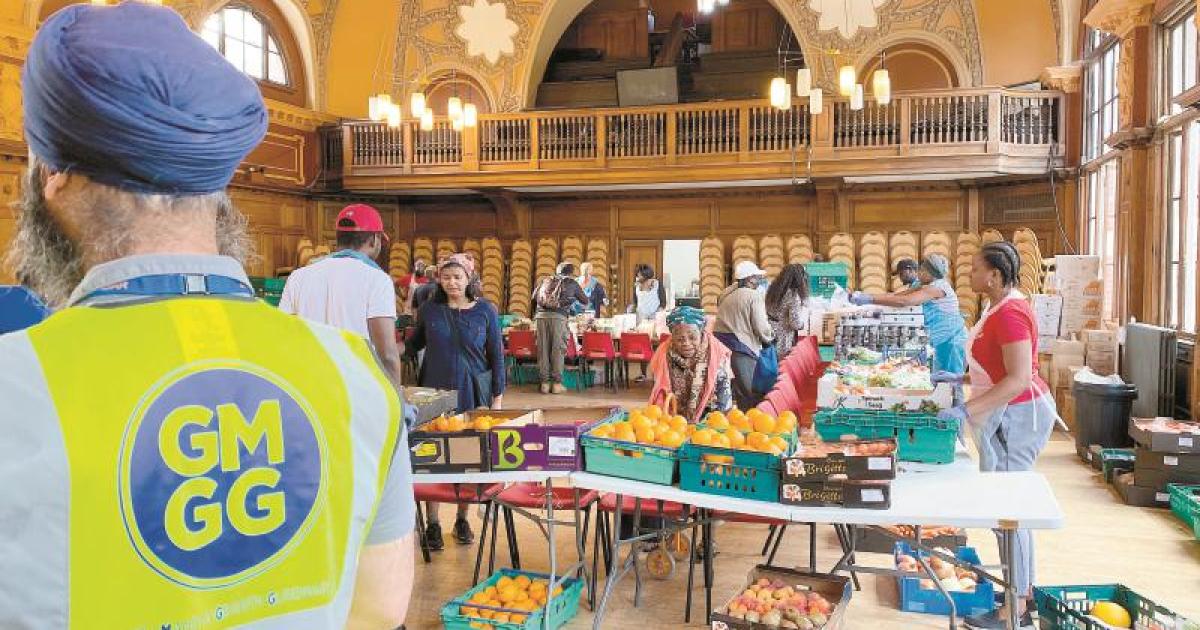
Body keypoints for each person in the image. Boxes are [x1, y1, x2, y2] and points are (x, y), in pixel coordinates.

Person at [0, 4, 414, 628]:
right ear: (216, 185)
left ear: (52, 174)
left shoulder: (14, 389)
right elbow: (378, 612)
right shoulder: (356, 380)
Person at [937, 241, 1056, 630]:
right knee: (1007, 509)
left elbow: (1019, 377)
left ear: (994, 275)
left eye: (974, 268)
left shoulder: (1011, 315)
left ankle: (1017, 610)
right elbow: (995, 367)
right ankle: (1020, 592)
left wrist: (966, 409)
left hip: (1018, 418)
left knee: (1011, 512)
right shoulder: (997, 307)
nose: (969, 274)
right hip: (1006, 412)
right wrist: (959, 378)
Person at [406, 253, 505, 551]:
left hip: (471, 393)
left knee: (467, 459)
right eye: (446, 277)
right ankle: (432, 523)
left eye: (457, 277)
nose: (452, 282)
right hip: (434, 395)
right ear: (439, 279)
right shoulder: (430, 311)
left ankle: (463, 518)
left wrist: (497, 401)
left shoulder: (486, 311)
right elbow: (412, 345)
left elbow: (496, 357)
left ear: (469, 279)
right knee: (430, 458)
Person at [280, 203, 403, 387]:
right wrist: (399, 406)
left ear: (338, 239)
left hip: (309, 386)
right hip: (356, 390)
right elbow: (387, 354)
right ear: (374, 239)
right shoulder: (377, 279)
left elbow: (285, 336)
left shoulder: (298, 276)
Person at [850, 254, 967, 376]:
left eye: (922, 270)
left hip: (951, 341)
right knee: (940, 381)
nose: (919, 273)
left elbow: (905, 301)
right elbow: (898, 296)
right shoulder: (924, 286)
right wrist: (865, 297)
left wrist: (870, 299)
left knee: (951, 383)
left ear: (930, 273)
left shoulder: (937, 288)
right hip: (939, 339)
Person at [648, 306, 733, 422]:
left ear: (701, 332)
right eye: (680, 339)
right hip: (675, 421)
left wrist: (719, 423)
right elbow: (660, 394)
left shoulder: (717, 354)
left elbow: (724, 395)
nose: (686, 343)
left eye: (692, 337)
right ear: (672, 338)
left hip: (709, 418)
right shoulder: (663, 354)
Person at [713, 261, 774, 409]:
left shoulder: (725, 294)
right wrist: (769, 337)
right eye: (756, 277)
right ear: (749, 279)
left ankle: (732, 420)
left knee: (726, 389)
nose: (759, 281)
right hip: (742, 346)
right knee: (748, 391)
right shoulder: (753, 296)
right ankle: (748, 422)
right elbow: (760, 326)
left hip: (720, 346)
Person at [534, 262, 588, 393]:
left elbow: (534, 297)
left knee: (543, 350)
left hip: (540, 317)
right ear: (571, 273)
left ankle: (544, 384)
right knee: (557, 350)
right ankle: (557, 384)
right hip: (558, 318)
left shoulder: (545, 280)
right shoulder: (571, 283)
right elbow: (585, 300)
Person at [765, 263, 811, 359]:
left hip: (769, 330)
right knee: (781, 366)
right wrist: (804, 324)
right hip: (783, 336)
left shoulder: (773, 289)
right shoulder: (793, 296)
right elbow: (795, 323)